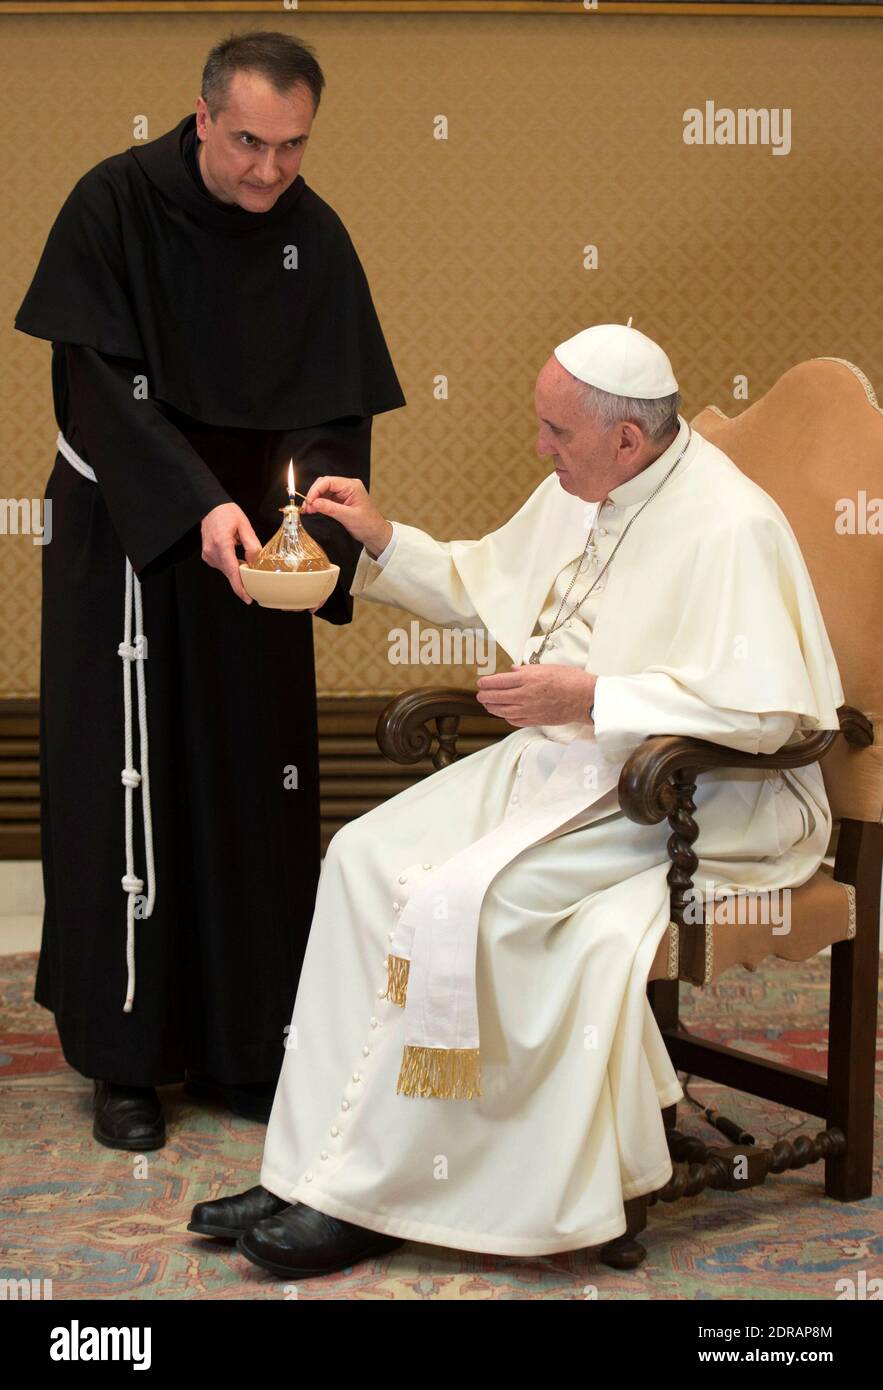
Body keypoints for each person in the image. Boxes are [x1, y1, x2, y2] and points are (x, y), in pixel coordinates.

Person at [189, 322, 843, 1275]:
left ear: (627, 439)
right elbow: (475, 578)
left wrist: (593, 697)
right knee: (362, 858)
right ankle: (311, 1171)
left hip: (694, 793)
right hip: (569, 765)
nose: (540, 448)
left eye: (556, 433)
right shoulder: (586, 486)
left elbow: (770, 715)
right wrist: (380, 538)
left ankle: (388, 1196)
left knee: (479, 904)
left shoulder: (729, 524)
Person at [13, 31, 405, 1150]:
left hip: (258, 565)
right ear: (200, 118)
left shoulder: (312, 238)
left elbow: (334, 410)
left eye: (291, 147)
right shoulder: (112, 207)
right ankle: (127, 1056)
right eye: (247, 142)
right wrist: (196, 509)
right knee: (125, 785)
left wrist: (311, 517)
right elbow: (97, 392)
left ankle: (249, 1043)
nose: (268, 171)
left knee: (254, 788)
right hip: (133, 541)